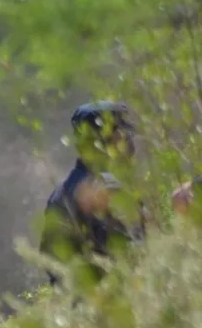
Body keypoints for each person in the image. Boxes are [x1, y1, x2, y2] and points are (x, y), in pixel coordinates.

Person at [39, 100, 143, 289]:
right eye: (122, 136)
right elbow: (131, 257)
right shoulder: (103, 191)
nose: (130, 145)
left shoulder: (64, 191)